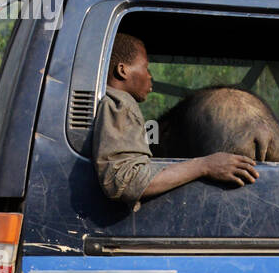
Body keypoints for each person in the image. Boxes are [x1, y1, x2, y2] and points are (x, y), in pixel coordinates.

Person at [93, 33, 259, 207]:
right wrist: (205, 165)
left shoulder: (111, 102)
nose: (150, 76)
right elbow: (126, 183)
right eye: (146, 68)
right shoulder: (121, 104)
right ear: (122, 70)